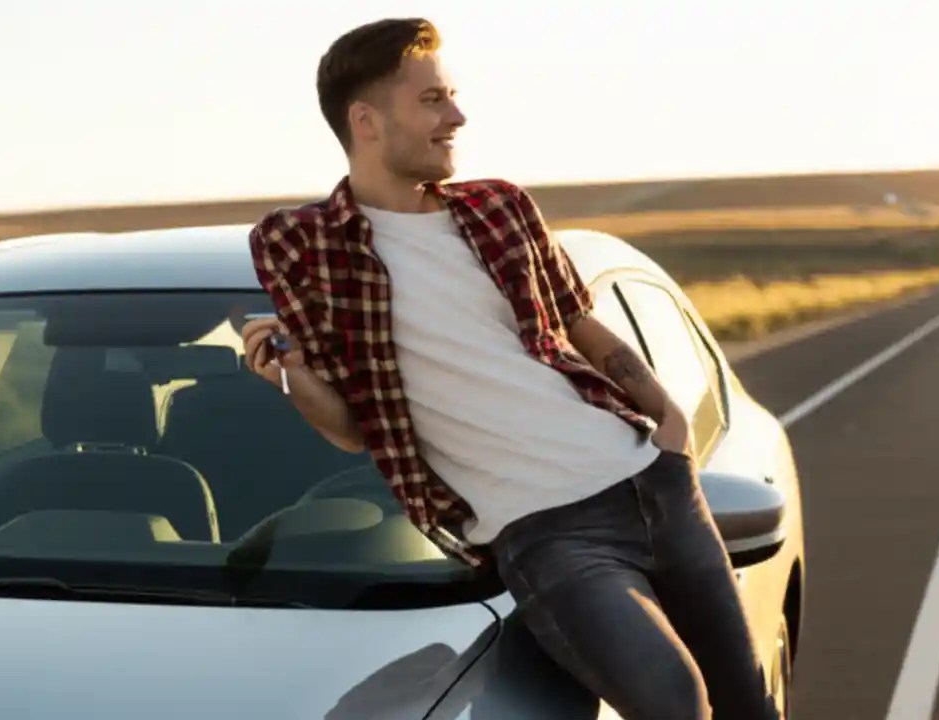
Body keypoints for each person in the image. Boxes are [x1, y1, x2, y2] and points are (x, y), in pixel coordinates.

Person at [241, 17, 778, 720]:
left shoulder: (500, 205)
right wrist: (290, 375)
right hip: (550, 536)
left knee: (749, 704)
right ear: (365, 120)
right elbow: (352, 427)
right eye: (433, 100)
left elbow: (576, 320)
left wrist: (666, 417)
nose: (456, 116)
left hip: (653, 483)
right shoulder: (301, 245)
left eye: (453, 96)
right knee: (674, 701)